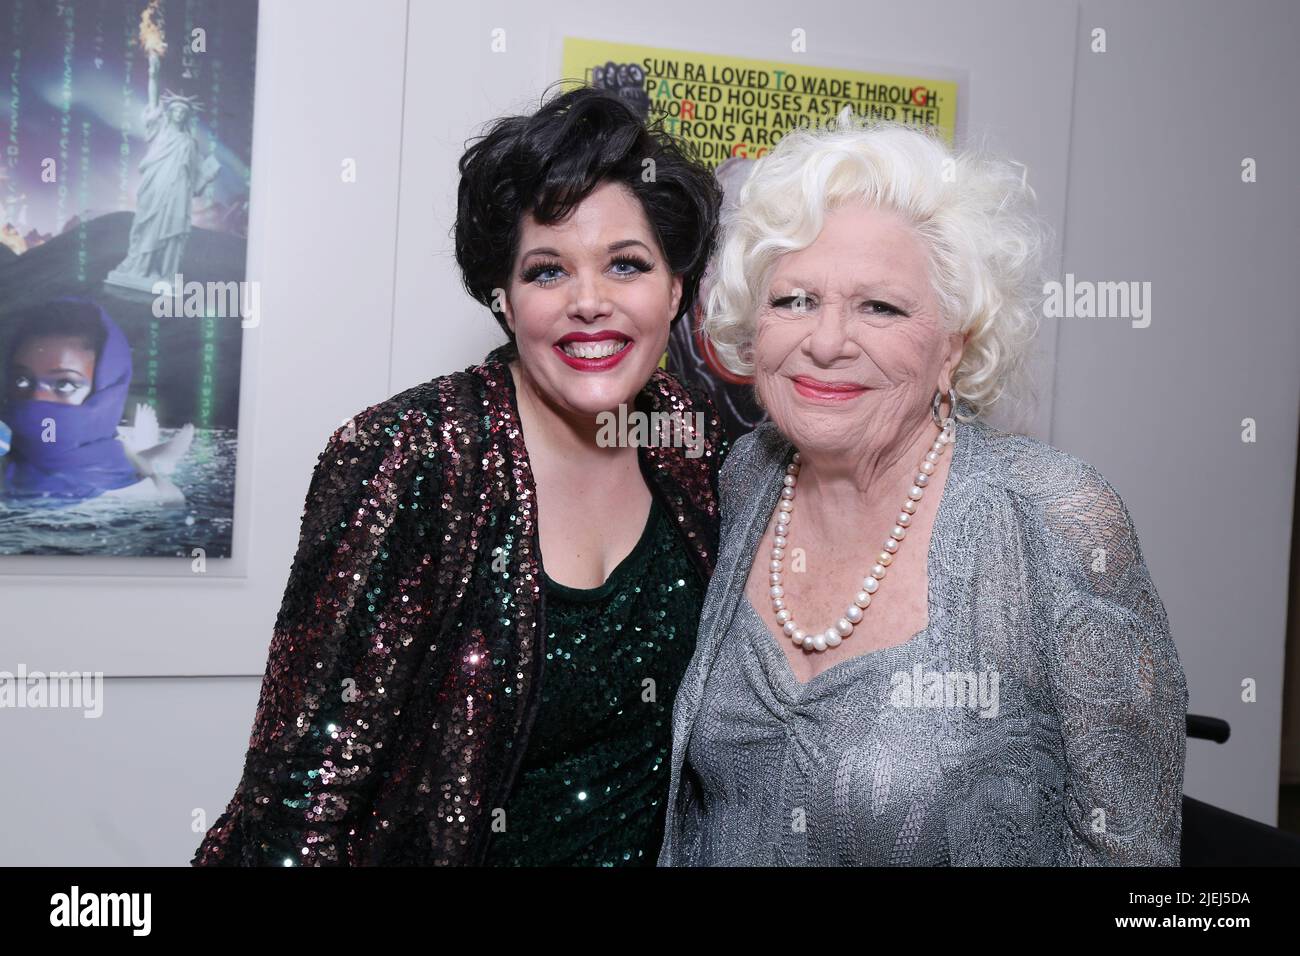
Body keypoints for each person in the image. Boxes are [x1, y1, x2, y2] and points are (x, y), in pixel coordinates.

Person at [192, 86, 725, 866]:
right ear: (503, 300)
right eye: (548, 272)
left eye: (626, 264)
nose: (589, 302)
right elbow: (303, 793)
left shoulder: (688, 443)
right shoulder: (408, 455)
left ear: (674, 290)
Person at [658, 111, 1189, 866]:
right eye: (793, 301)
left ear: (955, 346)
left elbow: (1132, 861)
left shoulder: (1054, 519)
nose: (827, 341)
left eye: (881, 306)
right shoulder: (747, 479)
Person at [1, 297, 191, 504]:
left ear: (107, 393)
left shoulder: (153, 497)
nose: (37, 399)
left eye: (64, 384)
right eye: (21, 380)